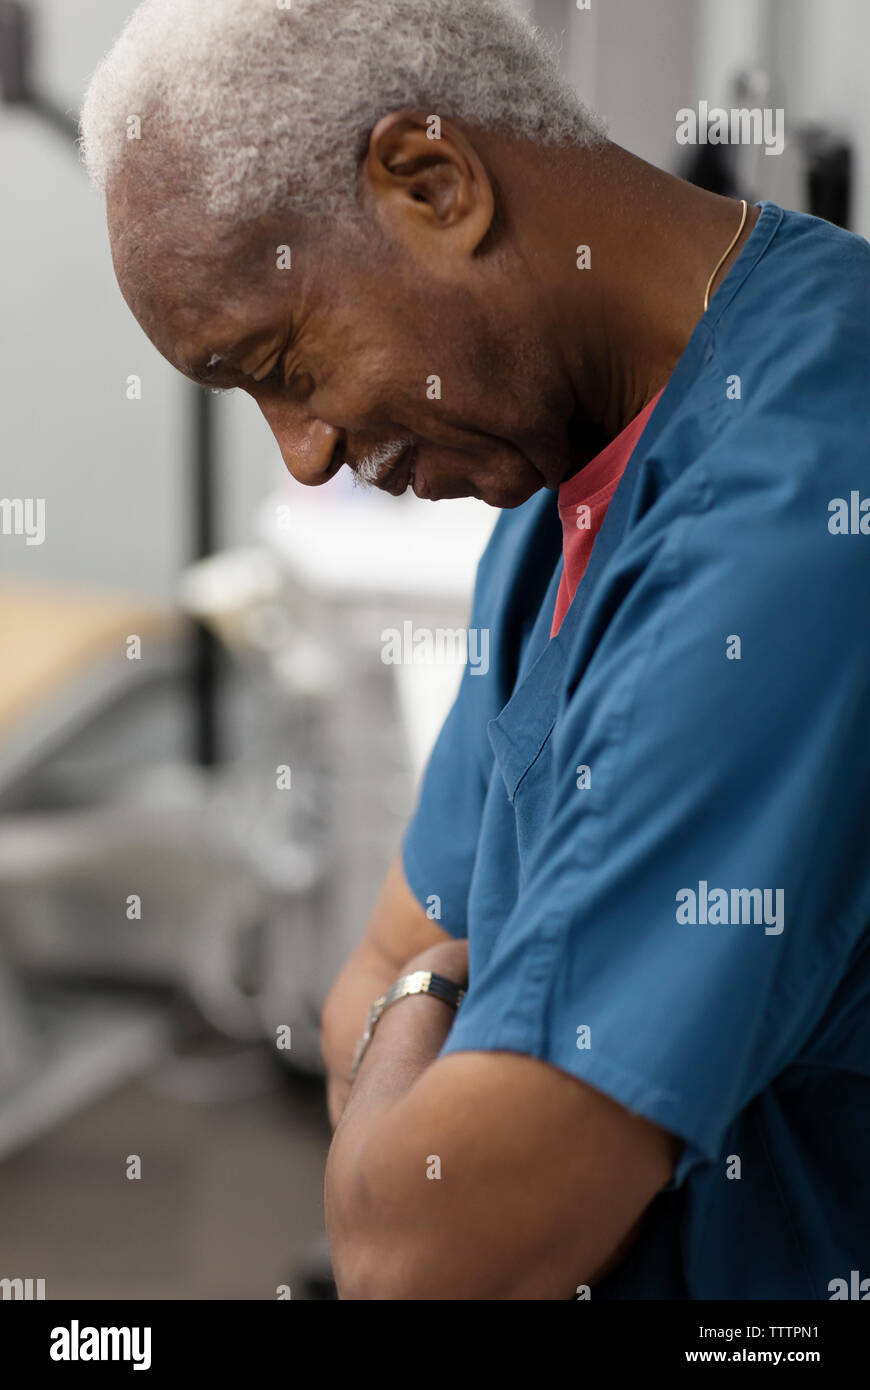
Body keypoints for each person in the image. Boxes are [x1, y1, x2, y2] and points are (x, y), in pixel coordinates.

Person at [80, 0, 870, 1299]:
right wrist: (427, 999)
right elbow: (367, 983)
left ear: (432, 183)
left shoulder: (800, 507)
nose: (305, 452)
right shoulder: (549, 467)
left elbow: (422, 1245)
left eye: (282, 364)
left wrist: (438, 991)